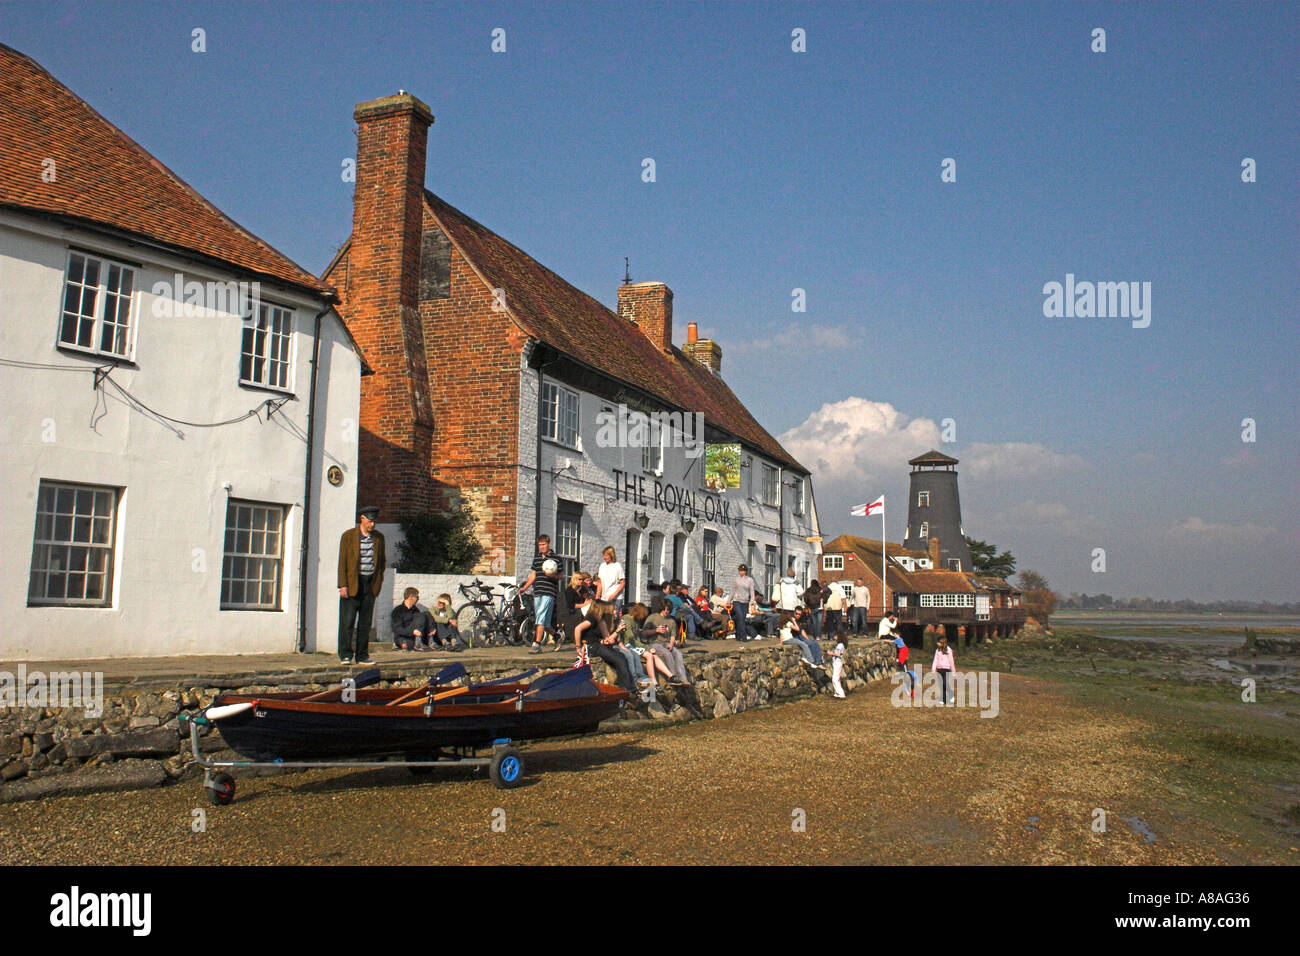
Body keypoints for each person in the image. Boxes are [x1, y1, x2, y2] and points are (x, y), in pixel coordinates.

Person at [338, 505, 385, 665]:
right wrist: (342, 585)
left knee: (365, 622)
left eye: (374, 521)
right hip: (352, 583)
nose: (373, 524)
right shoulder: (348, 536)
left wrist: (378, 582)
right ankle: (345, 654)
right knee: (347, 621)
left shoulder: (379, 538)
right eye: (370, 521)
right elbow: (342, 561)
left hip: (369, 584)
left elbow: (382, 561)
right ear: (362, 519)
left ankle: (362, 655)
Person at [520, 534, 561, 654]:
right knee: (544, 622)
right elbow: (533, 574)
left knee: (541, 616)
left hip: (549, 591)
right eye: (540, 545)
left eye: (543, 544)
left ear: (548, 544)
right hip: (537, 591)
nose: (542, 547)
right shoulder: (537, 558)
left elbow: (561, 576)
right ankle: (557, 635)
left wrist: (553, 575)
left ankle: (536, 644)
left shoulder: (556, 559)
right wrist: (525, 587)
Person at [641, 597, 691, 684]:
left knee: (678, 653)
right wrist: (656, 630)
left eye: (668, 610)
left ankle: (683, 678)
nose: (666, 611)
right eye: (664, 609)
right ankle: (673, 677)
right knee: (667, 654)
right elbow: (644, 633)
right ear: (661, 608)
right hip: (655, 643)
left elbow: (673, 635)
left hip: (666, 643)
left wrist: (671, 644)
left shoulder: (671, 621)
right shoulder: (653, 618)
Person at [391, 587, 432, 651]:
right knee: (407, 645)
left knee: (425, 614)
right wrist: (412, 632)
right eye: (417, 597)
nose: (418, 599)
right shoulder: (398, 610)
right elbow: (397, 628)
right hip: (403, 637)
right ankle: (416, 644)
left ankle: (419, 642)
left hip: (414, 638)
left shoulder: (416, 610)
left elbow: (419, 626)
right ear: (411, 597)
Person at [595, 546, 627, 615]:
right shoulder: (602, 566)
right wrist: (597, 596)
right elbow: (600, 582)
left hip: (616, 598)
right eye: (603, 555)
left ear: (611, 555)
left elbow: (622, 583)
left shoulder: (617, 566)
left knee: (613, 618)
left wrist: (613, 595)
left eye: (606, 555)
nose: (604, 557)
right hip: (604, 598)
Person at [730, 563, 756, 640]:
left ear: (746, 571)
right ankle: (744, 636)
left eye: (743, 571)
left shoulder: (750, 580)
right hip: (736, 601)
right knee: (740, 616)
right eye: (740, 571)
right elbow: (732, 590)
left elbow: (752, 591)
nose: (741, 572)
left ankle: (738, 636)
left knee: (741, 619)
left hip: (745, 602)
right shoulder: (736, 580)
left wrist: (752, 601)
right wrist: (729, 601)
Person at [933, 634, 955, 706]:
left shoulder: (949, 650)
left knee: (945, 684)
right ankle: (943, 699)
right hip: (939, 670)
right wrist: (933, 669)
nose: (937, 643)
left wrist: (953, 671)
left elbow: (951, 661)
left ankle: (951, 694)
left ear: (942, 642)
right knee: (941, 685)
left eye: (938, 642)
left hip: (946, 669)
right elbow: (935, 660)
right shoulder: (937, 650)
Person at [894, 634, 917, 700]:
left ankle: (910, 693)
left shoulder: (902, 646)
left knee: (907, 679)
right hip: (903, 664)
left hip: (904, 668)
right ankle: (910, 693)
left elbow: (903, 658)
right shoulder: (903, 647)